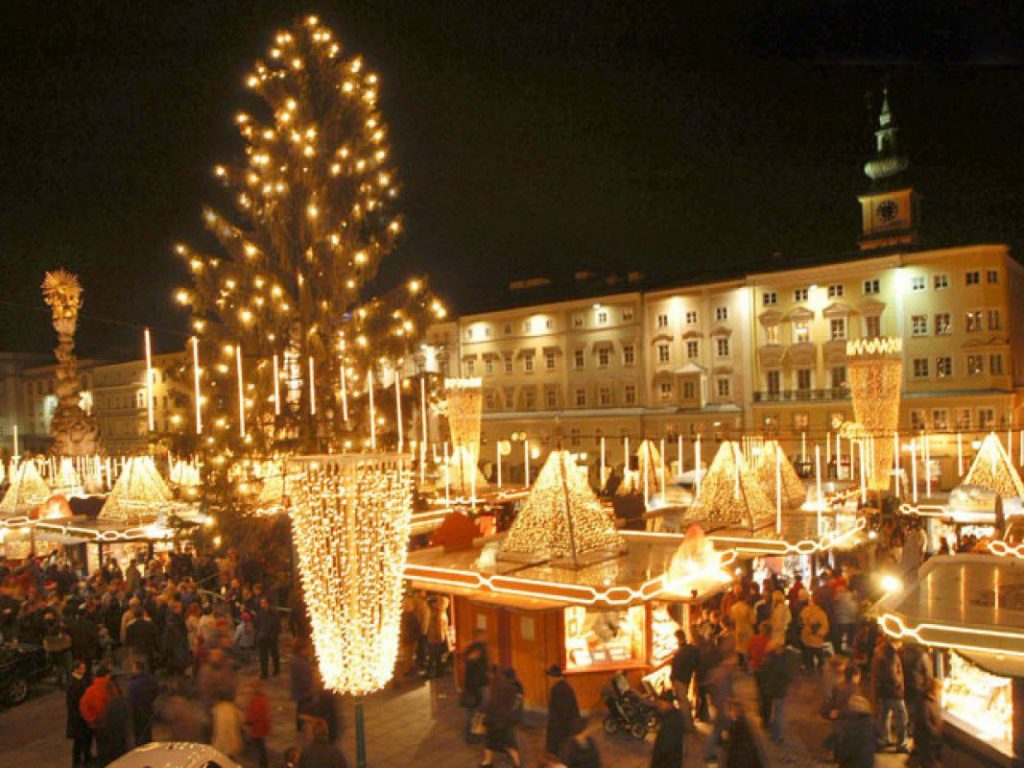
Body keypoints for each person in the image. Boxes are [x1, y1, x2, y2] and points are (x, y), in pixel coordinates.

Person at [872, 637, 909, 753]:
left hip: (883, 691)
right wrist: (899, 685)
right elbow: (892, 674)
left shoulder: (883, 651)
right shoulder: (892, 655)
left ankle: (884, 739)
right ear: (897, 641)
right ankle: (901, 744)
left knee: (884, 716)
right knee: (902, 717)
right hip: (893, 692)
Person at [481, 667, 523, 768]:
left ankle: (487, 762)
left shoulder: (499, 686)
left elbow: (492, 703)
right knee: (509, 742)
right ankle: (517, 764)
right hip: (508, 718)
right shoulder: (516, 686)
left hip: (496, 719)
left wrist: (484, 713)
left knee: (490, 742)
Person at [759, 641, 792, 743]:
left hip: (768, 689)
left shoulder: (766, 660)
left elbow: (761, 675)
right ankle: (776, 736)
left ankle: (768, 727)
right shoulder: (780, 661)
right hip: (779, 691)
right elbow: (786, 676)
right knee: (778, 713)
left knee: (771, 710)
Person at [545, 665, 580, 757]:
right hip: (569, 723)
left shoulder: (556, 689)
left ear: (554, 677)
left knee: (559, 748)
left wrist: (554, 725)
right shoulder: (566, 686)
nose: (549, 679)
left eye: (550, 676)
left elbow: (558, 710)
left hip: (561, 725)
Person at [96, 678, 133, 764]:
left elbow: (106, 721)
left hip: (114, 739)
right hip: (123, 738)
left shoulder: (110, 705)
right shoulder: (123, 702)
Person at [461, 631, 489, 744]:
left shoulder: (480, 649)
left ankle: (476, 733)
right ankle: (471, 735)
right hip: (475, 687)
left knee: (478, 712)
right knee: (473, 712)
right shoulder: (475, 650)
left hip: (478, 685)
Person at [833, 695, 876, 768]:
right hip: (866, 761)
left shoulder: (847, 723)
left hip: (849, 761)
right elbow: (879, 738)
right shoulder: (871, 722)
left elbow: (837, 740)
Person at [650, 694, 690, 768]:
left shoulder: (672, 720)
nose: (659, 706)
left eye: (661, 704)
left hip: (667, 762)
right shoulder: (673, 716)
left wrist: (658, 755)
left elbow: (667, 744)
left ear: (669, 704)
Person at [723, 701, 766, 768]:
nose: (728, 713)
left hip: (742, 760)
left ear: (734, 713)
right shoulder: (743, 724)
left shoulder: (737, 727)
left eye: (730, 710)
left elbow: (734, 749)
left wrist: (727, 736)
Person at [66, 659, 93, 767]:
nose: (85, 669)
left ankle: (82, 760)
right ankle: (82, 761)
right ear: (76, 669)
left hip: (80, 718)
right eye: (82, 668)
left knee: (81, 741)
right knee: (81, 741)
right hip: (79, 719)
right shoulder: (74, 684)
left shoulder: (82, 680)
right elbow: (72, 703)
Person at [127, 660, 160, 745]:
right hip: (148, 709)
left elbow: (130, 699)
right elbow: (156, 691)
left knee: (139, 734)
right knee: (147, 731)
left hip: (137, 712)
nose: (132, 670)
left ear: (137, 669)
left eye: (133, 668)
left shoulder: (134, 684)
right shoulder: (151, 680)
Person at [670, 628, 699, 711]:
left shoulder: (682, 651)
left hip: (680, 678)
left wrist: (672, 678)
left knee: (682, 701)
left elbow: (677, 667)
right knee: (683, 700)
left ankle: (687, 722)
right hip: (686, 677)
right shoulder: (690, 649)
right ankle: (687, 721)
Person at [799, 595, 830, 672]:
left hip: (814, 637)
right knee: (807, 653)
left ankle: (819, 664)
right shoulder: (805, 610)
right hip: (806, 637)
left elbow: (825, 626)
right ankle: (809, 667)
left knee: (816, 652)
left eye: (811, 601)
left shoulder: (821, 613)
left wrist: (816, 632)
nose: (809, 602)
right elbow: (800, 620)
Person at [246, 677, 272, 768]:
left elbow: (253, 716)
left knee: (260, 748)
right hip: (261, 729)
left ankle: (263, 764)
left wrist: (247, 720)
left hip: (257, 730)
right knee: (261, 747)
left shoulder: (257, 701)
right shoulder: (262, 699)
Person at [425, 595, 450, 678]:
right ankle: (440, 672)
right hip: (438, 638)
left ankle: (431, 673)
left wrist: (435, 638)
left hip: (435, 638)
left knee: (433, 657)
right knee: (437, 657)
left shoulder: (437, 615)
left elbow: (437, 628)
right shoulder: (442, 612)